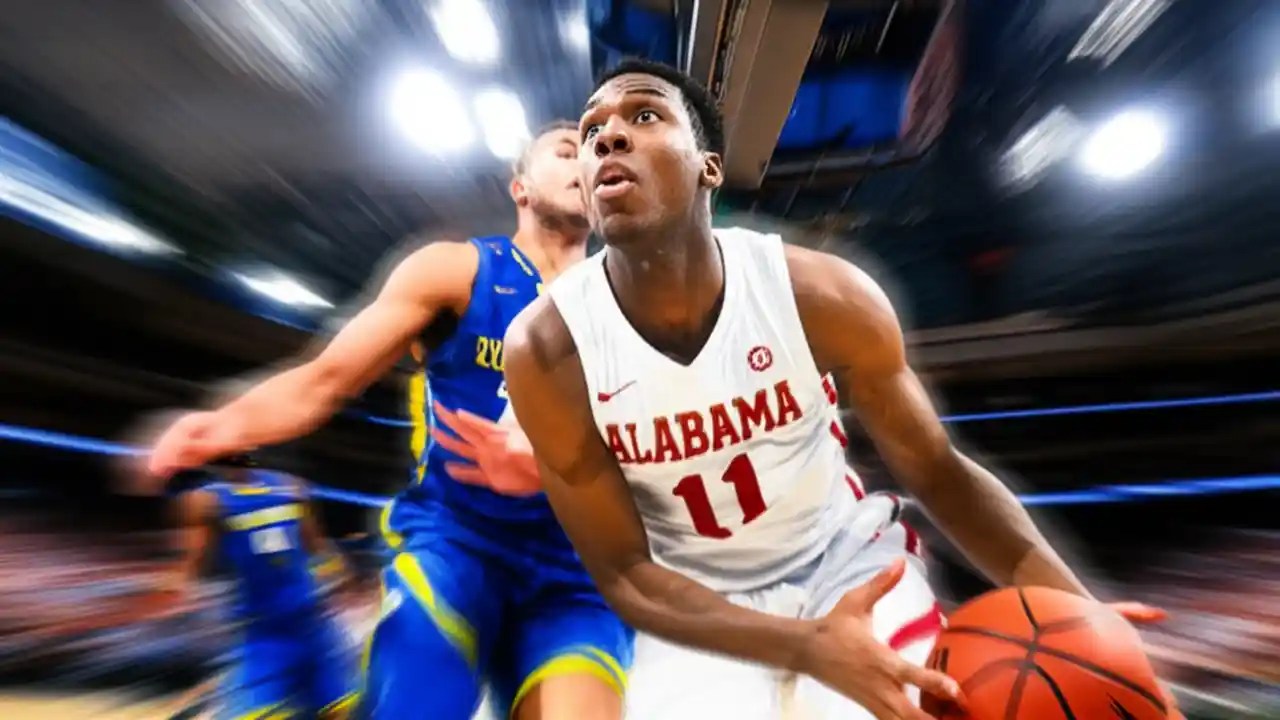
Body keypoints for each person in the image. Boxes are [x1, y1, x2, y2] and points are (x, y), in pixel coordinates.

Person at [434, 59, 1179, 720]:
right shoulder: (546, 350)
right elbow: (626, 572)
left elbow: (937, 471)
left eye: (645, 115)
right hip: (694, 603)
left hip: (843, 563)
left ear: (708, 167)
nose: (607, 138)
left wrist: (1082, 618)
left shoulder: (820, 294)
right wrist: (806, 647)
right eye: (593, 129)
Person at [147, 122, 632, 720]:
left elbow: (656, 458)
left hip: (574, 570)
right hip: (457, 546)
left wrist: (550, 465)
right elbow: (324, 381)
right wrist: (221, 426)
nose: (585, 162)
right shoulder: (455, 269)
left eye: (595, 155)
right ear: (521, 187)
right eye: (566, 150)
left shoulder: (631, 311)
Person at [166, 455, 357, 719]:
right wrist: (182, 587)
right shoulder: (209, 501)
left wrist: (338, 573)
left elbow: (317, 545)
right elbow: (195, 560)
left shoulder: (290, 487)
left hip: (306, 620)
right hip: (267, 627)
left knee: (338, 708)